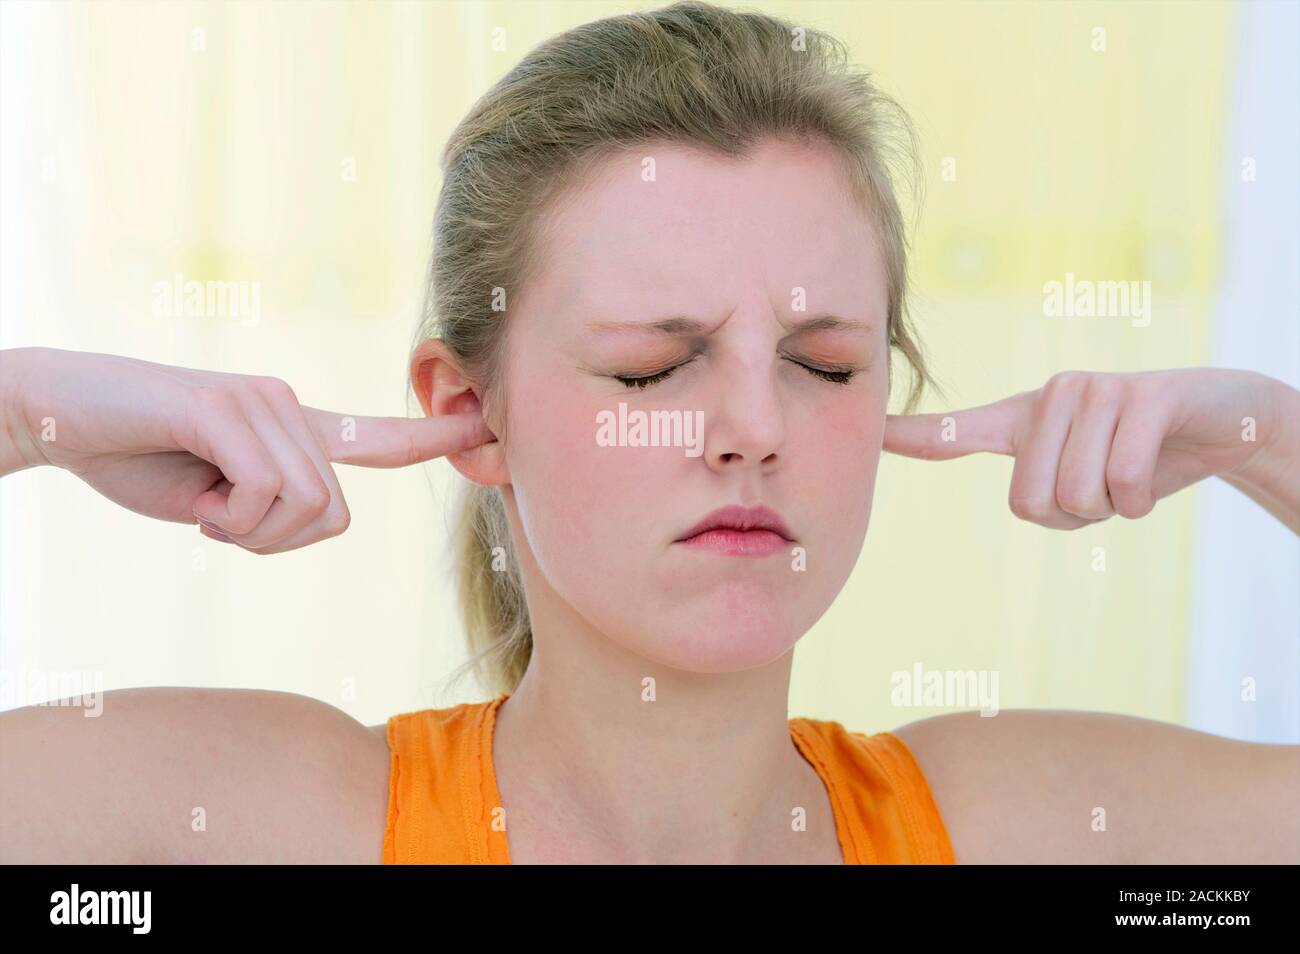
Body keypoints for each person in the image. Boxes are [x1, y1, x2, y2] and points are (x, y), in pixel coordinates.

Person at [1, 1, 1296, 864]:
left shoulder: (1012, 824)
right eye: (652, 365)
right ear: (470, 412)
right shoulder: (275, 817)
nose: (752, 425)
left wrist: (1263, 431)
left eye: (823, 361)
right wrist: (29, 409)